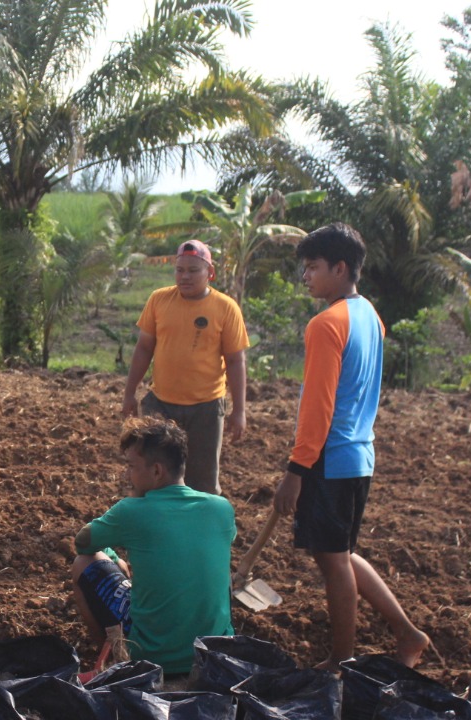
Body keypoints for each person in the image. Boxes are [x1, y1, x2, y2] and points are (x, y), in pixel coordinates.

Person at [272, 223, 429, 669]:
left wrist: (295, 471)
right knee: (340, 554)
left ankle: (342, 660)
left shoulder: (326, 324)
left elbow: (318, 408)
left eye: (313, 267)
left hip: (330, 458)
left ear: (340, 269)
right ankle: (407, 633)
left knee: (332, 563)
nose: (307, 276)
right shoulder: (369, 316)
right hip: (359, 455)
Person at [71, 416, 237, 675]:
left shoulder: (131, 510)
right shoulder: (222, 508)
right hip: (215, 655)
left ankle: (119, 657)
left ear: (157, 471)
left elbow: (83, 542)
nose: (128, 474)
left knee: (83, 564)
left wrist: (115, 557)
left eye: (132, 466)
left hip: (153, 659)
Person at [121, 239, 249, 495]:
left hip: (206, 409)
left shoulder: (225, 308)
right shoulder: (159, 300)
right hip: (160, 405)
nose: (185, 276)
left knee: (202, 482)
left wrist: (239, 410)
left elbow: (235, 361)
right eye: (180, 270)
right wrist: (129, 392)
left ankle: (201, 531)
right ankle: (151, 527)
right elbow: (144, 348)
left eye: (193, 270)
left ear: (210, 273)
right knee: (151, 475)